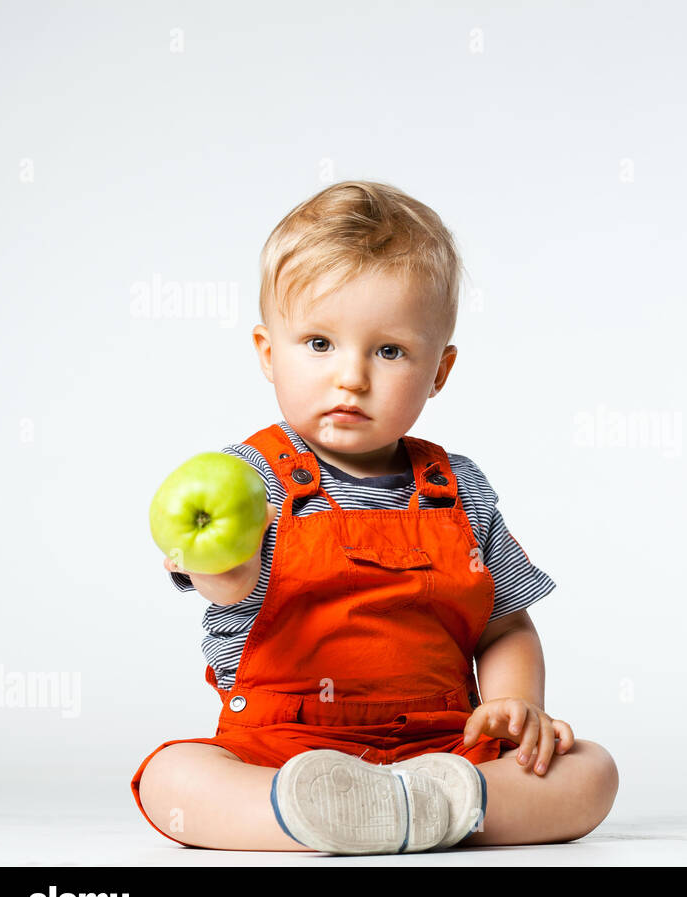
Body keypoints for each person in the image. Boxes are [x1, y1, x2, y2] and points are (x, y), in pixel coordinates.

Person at [132, 181, 618, 853]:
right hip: (285, 750)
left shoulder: (460, 489)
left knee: (589, 773)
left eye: (389, 351)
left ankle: (430, 805)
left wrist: (515, 704)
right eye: (319, 343)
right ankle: (309, 811)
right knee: (172, 776)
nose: (352, 377)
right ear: (269, 353)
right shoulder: (251, 480)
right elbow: (231, 591)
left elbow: (506, 622)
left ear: (439, 371)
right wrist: (223, 567)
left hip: (444, 750)